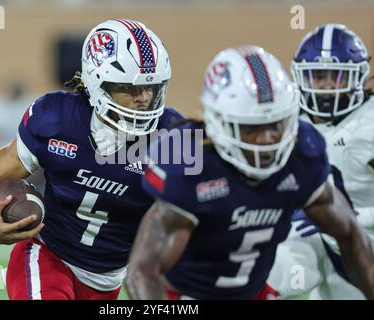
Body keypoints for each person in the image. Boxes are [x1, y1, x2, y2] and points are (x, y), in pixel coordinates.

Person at [124, 45, 374, 300]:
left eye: (276, 124)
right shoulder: (192, 166)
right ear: (218, 123)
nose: (267, 140)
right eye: (251, 128)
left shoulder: (302, 154)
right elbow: (142, 273)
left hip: (255, 291)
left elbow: (350, 235)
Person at [0, 19, 183, 300]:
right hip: (48, 255)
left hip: (109, 279)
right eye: (127, 88)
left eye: (150, 87)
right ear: (97, 83)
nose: (141, 99)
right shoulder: (55, 119)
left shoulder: (174, 137)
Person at [268, 24, 374, 300]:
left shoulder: (369, 126)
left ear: (358, 79)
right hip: (313, 231)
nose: (327, 86)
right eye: (318, 77)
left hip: (366, 235)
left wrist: (345, 219)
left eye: (337, 77)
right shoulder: (291, 120)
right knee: (266, 267)